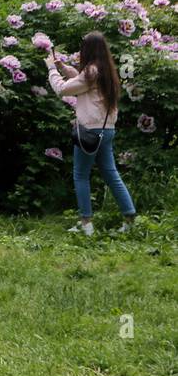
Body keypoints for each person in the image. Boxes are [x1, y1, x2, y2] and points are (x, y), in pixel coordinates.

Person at [45, 32, 137, 236]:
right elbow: (81, 81)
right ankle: (129, 219)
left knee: (80, 176)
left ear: (88, 49)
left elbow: (62, 89)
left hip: (90, 131)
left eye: (82, 47)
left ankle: (86, 223)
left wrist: (52, 69)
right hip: (107, 130)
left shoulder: (91, 71)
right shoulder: (105, 70)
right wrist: (64, 68)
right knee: (112, 175)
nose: (80, 51)